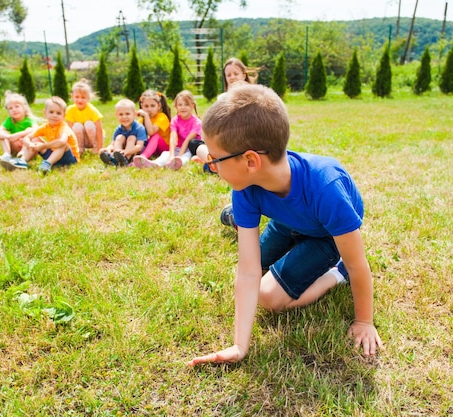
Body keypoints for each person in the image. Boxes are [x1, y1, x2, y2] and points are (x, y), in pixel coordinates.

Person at [187, 84, 382, 367]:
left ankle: (334, 273)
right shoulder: (245, 188)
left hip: (326, 236)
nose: (211, 166)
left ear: (251, 160)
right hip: (286, 223)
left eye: (216, 160)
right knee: (260, 266)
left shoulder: (325, 187)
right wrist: (240, 345)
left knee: (268, 296)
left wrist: (364, 320)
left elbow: (358, 264)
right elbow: (248, 269)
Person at [191, 57, 259, 173]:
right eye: (228, 75)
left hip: (245, 147)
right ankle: (212, 161)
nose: (232, 77)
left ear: (243, 75)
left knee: (209, 164)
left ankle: (212, 164)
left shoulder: (256, 96)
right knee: (195, 144)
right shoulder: (222, 98)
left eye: (235, 74)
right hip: (226, 144)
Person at [1, 96, 79, 174]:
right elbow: (27, 137)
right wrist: (30, 144)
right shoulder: (45, 127)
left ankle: (47, 164)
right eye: (51, 112)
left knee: (63, 144)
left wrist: (43, 146)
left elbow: (62, 142)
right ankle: (23, 161)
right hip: (54, 156)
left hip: (69, 159)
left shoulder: (63, 127)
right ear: (45, 113)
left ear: (64, 116)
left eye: (58, 113)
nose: (54, 115)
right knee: (35, 142)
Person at [136, 90, 201, 170]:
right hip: (177, 147)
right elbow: (173, 138)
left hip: (189, 148)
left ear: (192, 106)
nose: (183, 107)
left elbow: (188, 140)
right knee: (165, 154)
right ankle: (156, 163)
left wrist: (178, 156)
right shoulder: (175, 120)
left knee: (186, 156)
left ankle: (177, 163)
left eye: (186, 104)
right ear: (176, 107)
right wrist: (171, 155)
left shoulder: (197, 122)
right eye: (180, 105)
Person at [99, 99, 147, 167]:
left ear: (134, 114)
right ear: (116, 115)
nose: (124, 117)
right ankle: (116, 158)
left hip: (136, 151)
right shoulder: (119, 129)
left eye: (127, 114)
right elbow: (113, 144)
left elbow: (139, 146)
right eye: (121, 114)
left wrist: (126, 152)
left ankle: (125, 159)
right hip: (123, 150)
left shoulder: (139, 128)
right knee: (119, 137)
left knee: (131, 137)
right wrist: (108, 149)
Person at [0, 91, 37, 163]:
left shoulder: (29, 120)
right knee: (3, 133)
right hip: (15, 146)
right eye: (10, 108)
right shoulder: (9, 121)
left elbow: (36, 130)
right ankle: (6, 154)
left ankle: (23, 153)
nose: (14, 110)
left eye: (17, 106)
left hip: (27, 146)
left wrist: (19, 134)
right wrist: (9, 137)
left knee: (30, 130)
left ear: (24, 108)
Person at [131, 90, 172, 169]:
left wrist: (145, 115)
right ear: (141, 106)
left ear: (159, 106)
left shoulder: (162, 117)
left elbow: (151, 132)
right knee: (133, 136)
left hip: (165, 148)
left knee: (155, 136)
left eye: (152, 106)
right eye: (146, 106)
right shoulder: (141, 120)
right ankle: (128, 156)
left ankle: (143, 157)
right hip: (152, 148)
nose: (149, 109)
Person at [65, 79, 104, 156]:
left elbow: (99, 130)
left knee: (88, 124)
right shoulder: (70, 110)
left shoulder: (92, 110)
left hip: (92, 138)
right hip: (80, 140)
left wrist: (100, 148)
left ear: (88, 98)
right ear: (72, 96)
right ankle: (79, 149)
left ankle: (95, 148)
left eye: (83, 97)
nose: (80, 100)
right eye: (77, 97)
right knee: (77, 126)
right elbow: (68, 130)